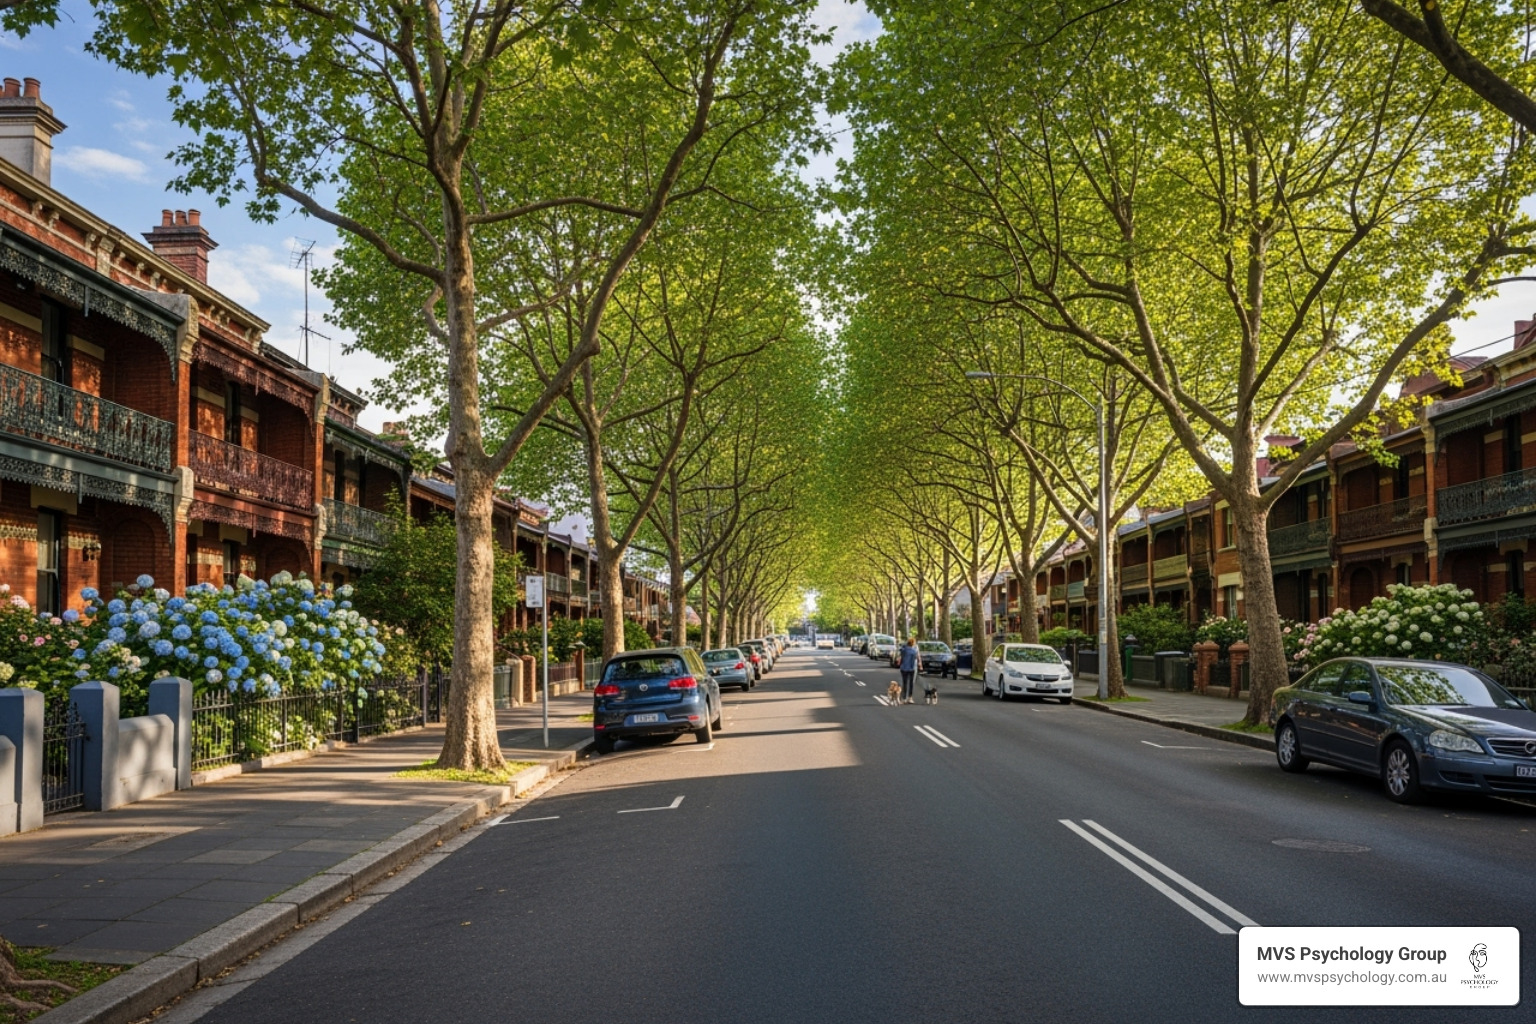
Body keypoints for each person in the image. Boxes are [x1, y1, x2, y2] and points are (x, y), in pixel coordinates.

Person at [898, 637, 919, 704]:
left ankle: (903, 698)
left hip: (903, 668)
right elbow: (913, 661)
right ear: (913, 643)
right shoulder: (914, 651)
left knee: (904, 683)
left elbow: (901, 653)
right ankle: (910, 697)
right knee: (911, 683)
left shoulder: (904, 650)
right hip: (911, 668)